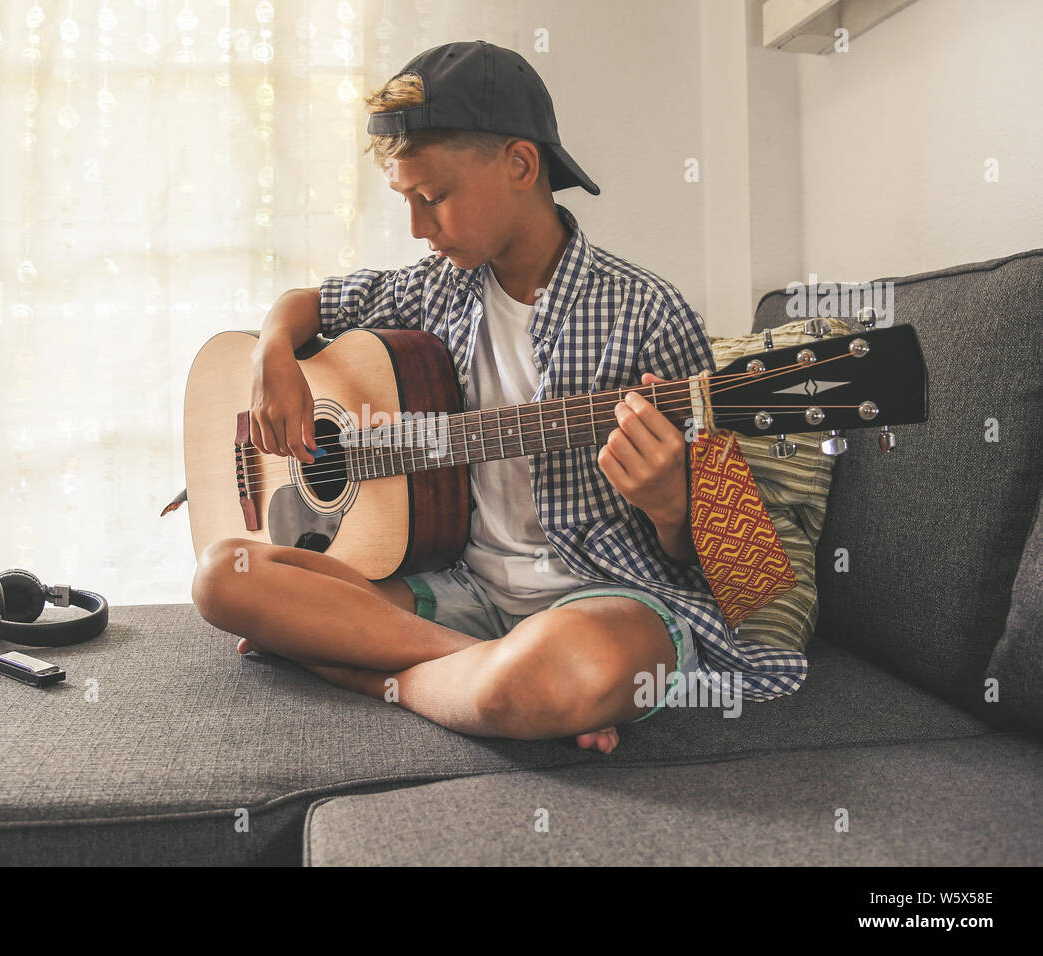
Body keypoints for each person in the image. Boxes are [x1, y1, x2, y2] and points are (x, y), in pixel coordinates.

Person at [193, 41, 797, 755]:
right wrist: (272, 355)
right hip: (460, 592)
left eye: (433, 198)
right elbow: (308, 304)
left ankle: (388, 674)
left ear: (520, 164)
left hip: (603, 602)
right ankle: (486, 681)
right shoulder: (432, 288)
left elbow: (745, 568)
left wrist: (670, 503)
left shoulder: (650, 314)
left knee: (578, 667)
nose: (418, 227)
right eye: (406, 201)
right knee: (222, 579)